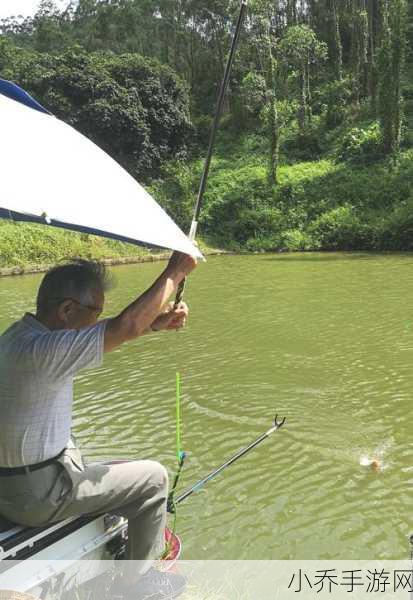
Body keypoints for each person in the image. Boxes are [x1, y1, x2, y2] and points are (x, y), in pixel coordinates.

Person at [0, 252, 197, 597]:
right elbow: (125, 327)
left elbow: (118, 333)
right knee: (154, 478)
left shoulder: (18, 337)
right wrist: (176, 270)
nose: (96, 325)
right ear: (66, 310)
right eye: (95, 315)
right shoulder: (44, 352)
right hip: (38, 497)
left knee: (95, 459)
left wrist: (154, 324)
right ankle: (135, 586)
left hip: (12, 484)